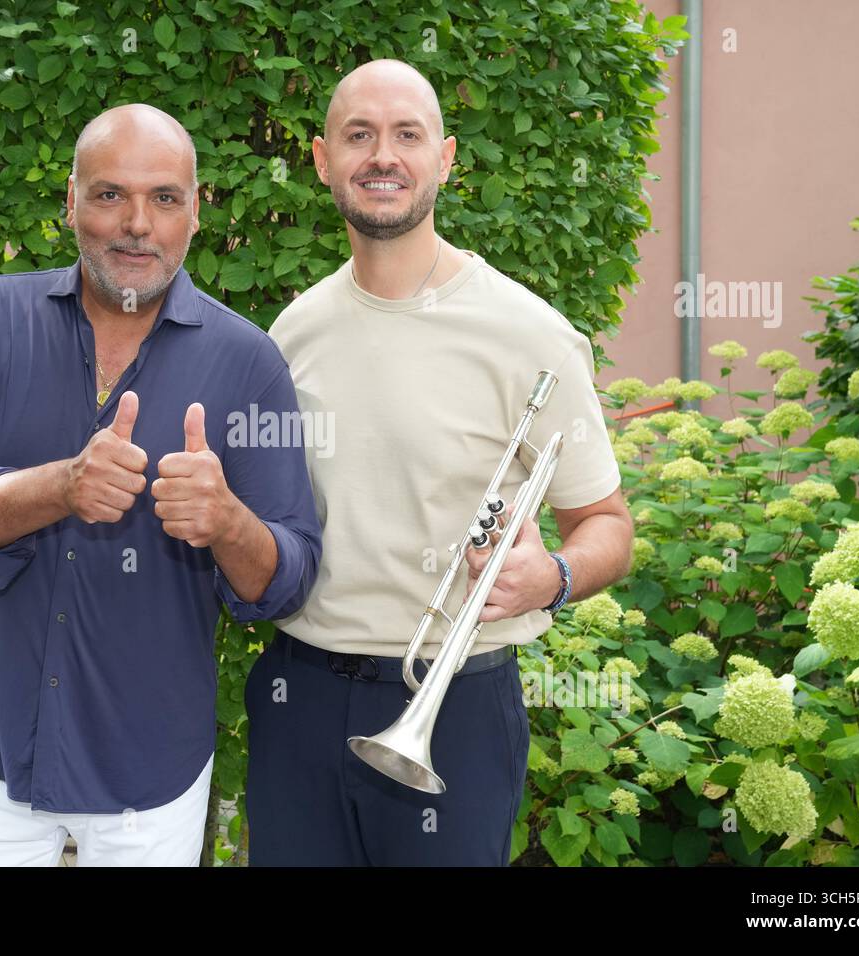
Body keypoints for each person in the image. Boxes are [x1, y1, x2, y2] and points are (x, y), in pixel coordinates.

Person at [0, 104, 321, 866]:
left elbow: (289, 580)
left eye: (164, 198)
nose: (137, 223)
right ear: (70, 201)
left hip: (152, 779)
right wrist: (62, 486)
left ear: (195, 212)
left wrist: (228, 521)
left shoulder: (250, 362)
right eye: (109, 195)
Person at [246, 60, 634, 866]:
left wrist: (553, 576)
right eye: (359, 136)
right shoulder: (292, 333)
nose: (382, 155)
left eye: (406, 135)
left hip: (458, 706)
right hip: (300, 693)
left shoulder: (532, 333)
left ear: (445, 158)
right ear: (322, 159)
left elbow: (607, 525)